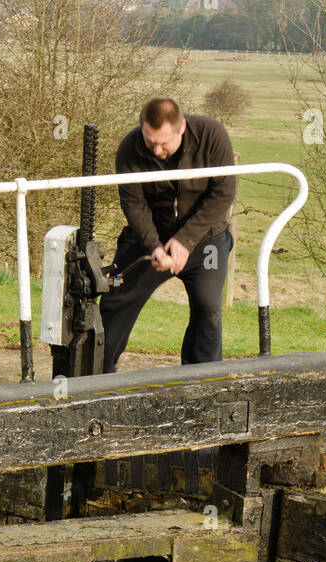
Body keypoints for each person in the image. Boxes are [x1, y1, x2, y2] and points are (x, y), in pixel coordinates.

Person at [100, 96, 236, 372]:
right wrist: (154, 247)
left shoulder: (212, 135)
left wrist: (185, 241)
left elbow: (223, 194)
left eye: (164, 143)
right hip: (150, 238)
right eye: (150, 142)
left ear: (181, 127)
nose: (157, 150)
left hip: (206, 241)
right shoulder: (129, 149)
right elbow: (133, 204)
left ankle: (201, 381)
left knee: (208, 309)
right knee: (116, 300)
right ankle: (94, 378)